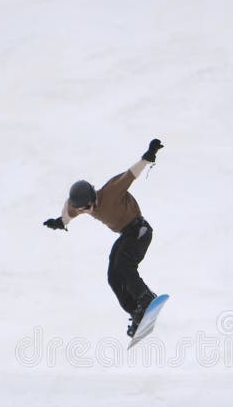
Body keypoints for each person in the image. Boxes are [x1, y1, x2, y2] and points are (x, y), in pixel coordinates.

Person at [43, 139, 164, 337]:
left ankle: (146, 299)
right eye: (86, 209)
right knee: (113, 275)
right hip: (126, 234)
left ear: (93, 194)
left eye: (91, 205)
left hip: (140, 231)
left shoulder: (110, 192)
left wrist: (148, 156)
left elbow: (130, 175)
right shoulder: (80, 206)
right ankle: (137, 312)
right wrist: (61, 222)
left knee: (124, 264)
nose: (91, 210)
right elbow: (69, 208)